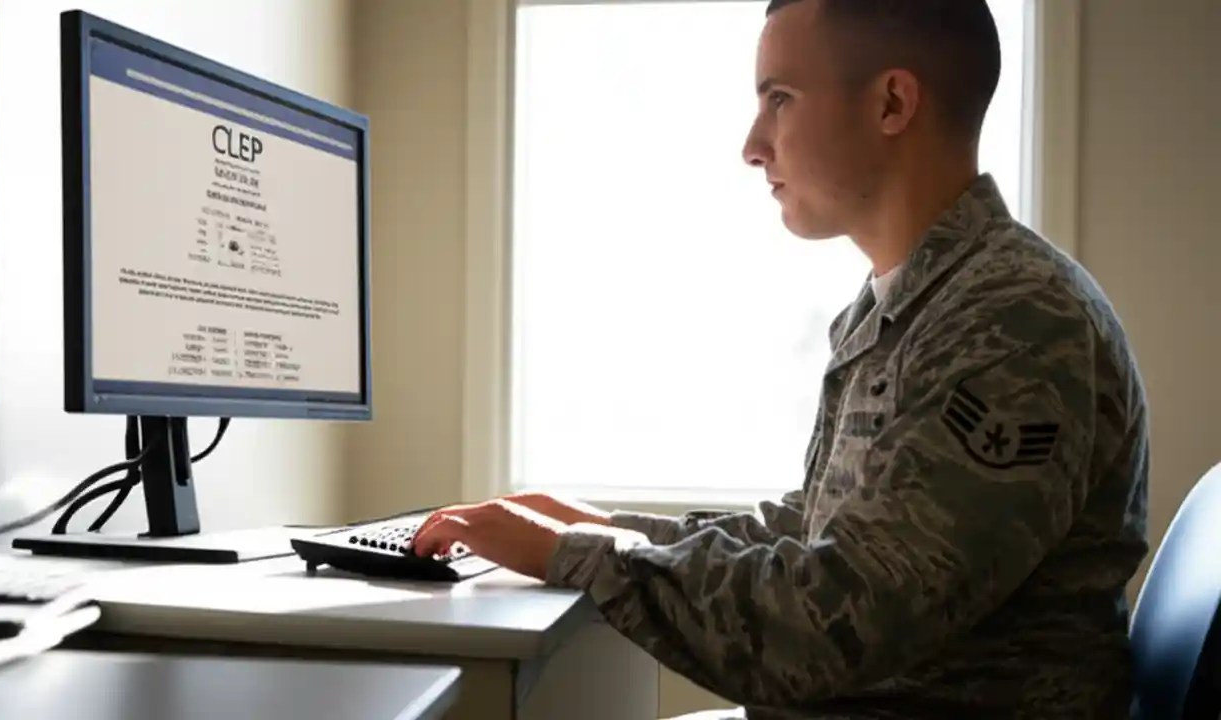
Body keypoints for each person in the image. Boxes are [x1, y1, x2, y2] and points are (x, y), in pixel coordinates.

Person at [413, 0, 1149, 717]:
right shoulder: (910, 305)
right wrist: (608, 527)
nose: (753, 144)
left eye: (780, 100)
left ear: (892, 103)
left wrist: (574, 553)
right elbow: (819, 534)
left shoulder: (1014, 322)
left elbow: (837, 621)